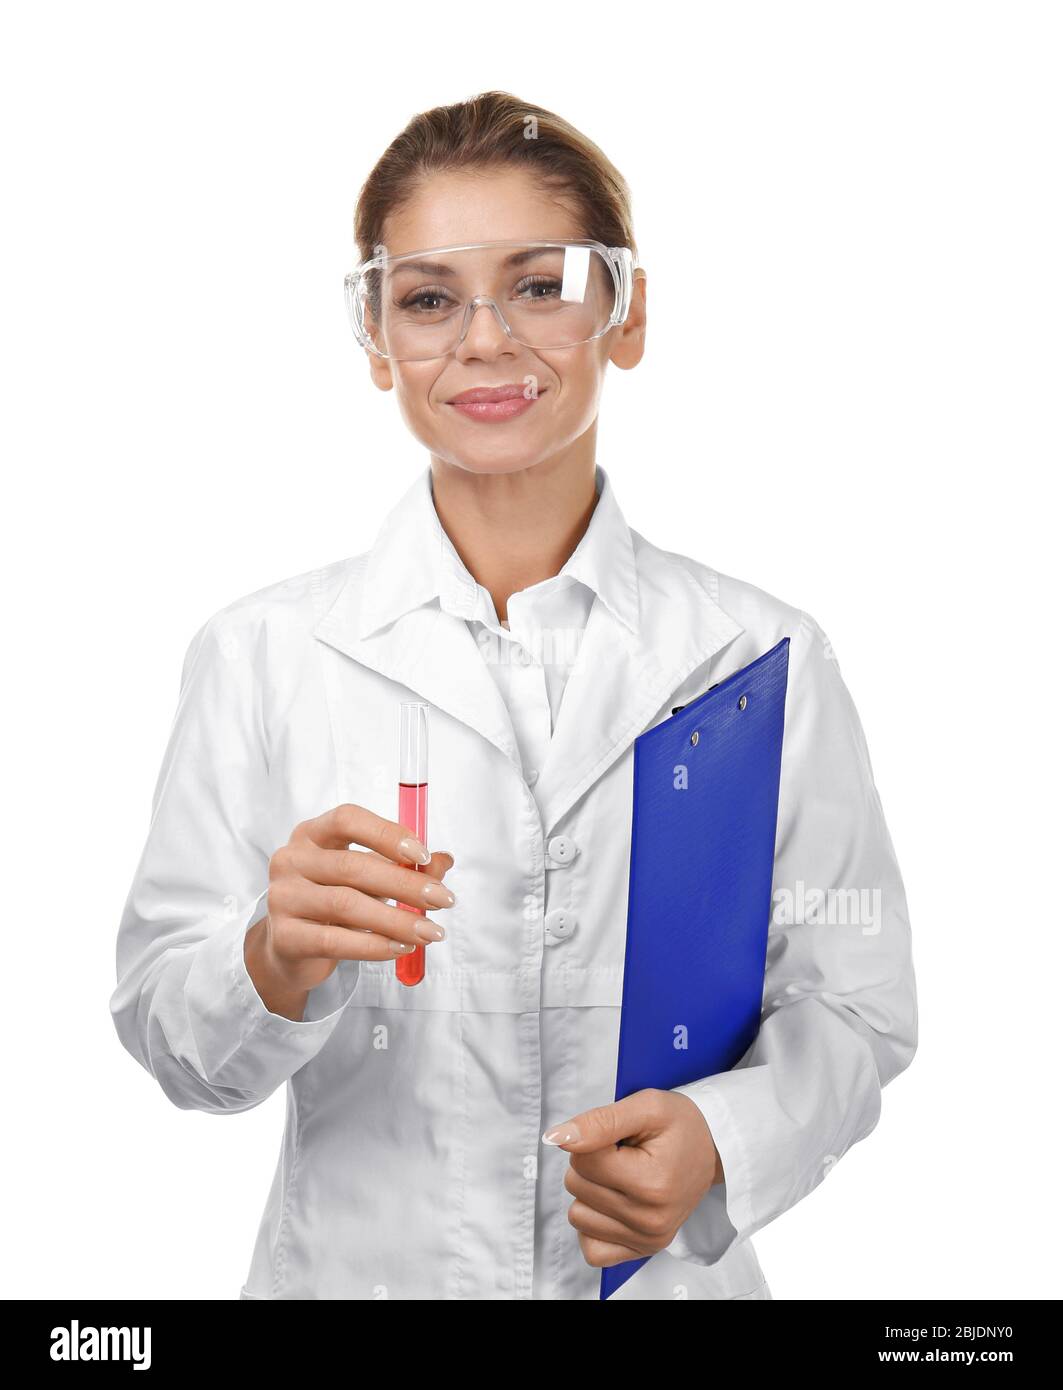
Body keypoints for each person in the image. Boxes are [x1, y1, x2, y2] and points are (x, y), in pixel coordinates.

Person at [110, 90, 917, 1301]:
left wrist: (723, 1142)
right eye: (429, 298)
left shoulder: (758, 656)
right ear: (377, 340)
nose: (484, 339)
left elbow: (856, 1008)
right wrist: (271, 956)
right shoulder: (264, 655)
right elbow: (173, 1037)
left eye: (539, 285)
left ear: (624, 312)